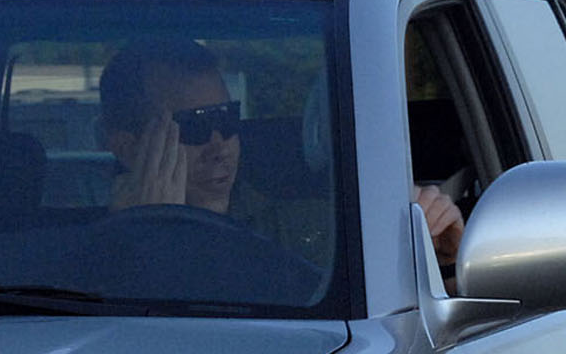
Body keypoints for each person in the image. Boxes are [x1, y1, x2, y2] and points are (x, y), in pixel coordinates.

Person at [99, 38, 463, 271]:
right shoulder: (85, 260)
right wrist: (151, 234)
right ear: (128, 148)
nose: (219, 145)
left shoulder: (314, 230)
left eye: (226, 119)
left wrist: (443, 261)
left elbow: (425, 320)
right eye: (194, 125)